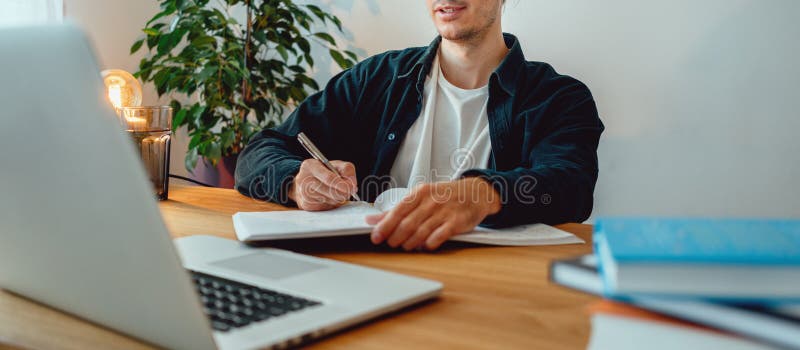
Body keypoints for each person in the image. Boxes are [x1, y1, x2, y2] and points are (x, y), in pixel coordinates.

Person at [235, 0, 604, 251]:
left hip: (490, 293)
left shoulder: (560, 98)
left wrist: (480, 195)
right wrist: (296, 181)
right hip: (370, 279)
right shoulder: (376, 79)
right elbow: (258, 152)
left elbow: (571, 185)